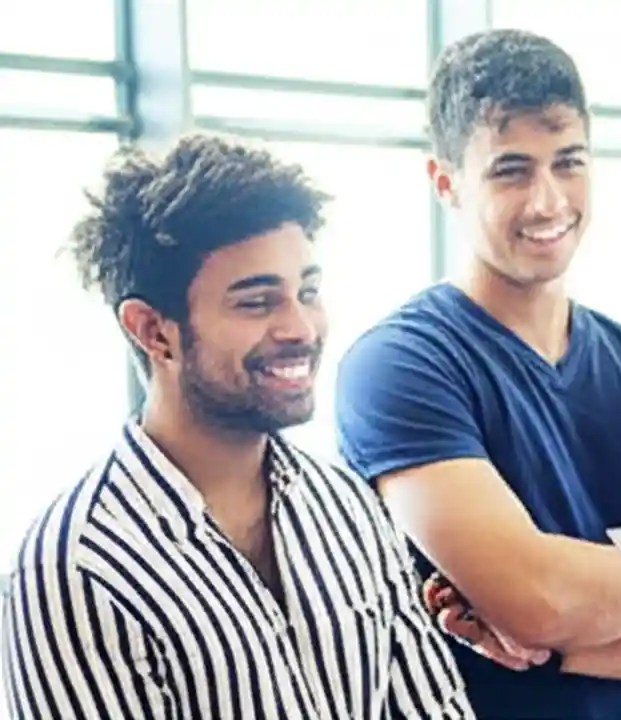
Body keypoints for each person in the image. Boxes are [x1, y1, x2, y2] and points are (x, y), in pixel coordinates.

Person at [333, 29, 621, 720]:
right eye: (511, 170)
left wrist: (557, 646)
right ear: (445, 183)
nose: (548, 200)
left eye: (569, 162)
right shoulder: (400, 367)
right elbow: (538, 598)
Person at [0, 135, 473, 719]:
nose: (300, 326)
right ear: (153, 331)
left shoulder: (349, 508)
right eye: (257, 302)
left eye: (308, 292)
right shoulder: (77, 568)